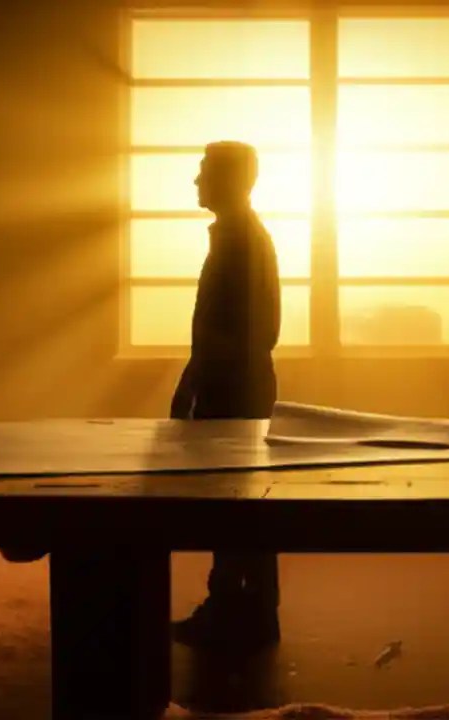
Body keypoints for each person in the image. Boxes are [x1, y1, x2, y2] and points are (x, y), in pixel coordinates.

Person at [170, 141, 282, 648]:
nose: (196, 182)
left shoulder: (240, 241)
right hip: (238, 382)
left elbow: (244, 331)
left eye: (203, 173)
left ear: (229, 180)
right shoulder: (240, 237)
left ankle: (241, 611)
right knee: (241, 503)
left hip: (234, 388)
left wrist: (197, 380)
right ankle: (249, 609)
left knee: (235, 502)